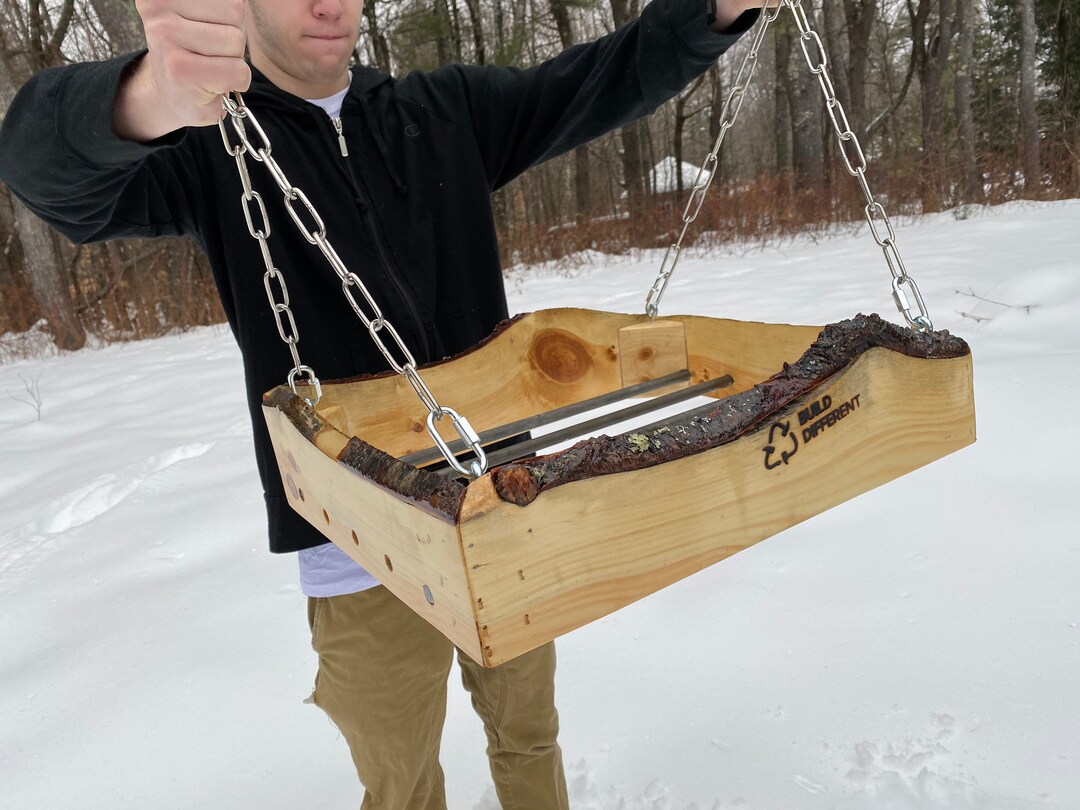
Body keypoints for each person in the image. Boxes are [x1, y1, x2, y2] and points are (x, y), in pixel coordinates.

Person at [0, 0, 769, 806]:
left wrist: (712, 13)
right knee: (400, 785)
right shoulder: (209, 140)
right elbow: (42, 171)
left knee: (530, 739)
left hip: (504, 505)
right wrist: (144, 96)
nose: (329, 5)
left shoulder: (442, 113)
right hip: (356, 544)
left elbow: (604, 79)